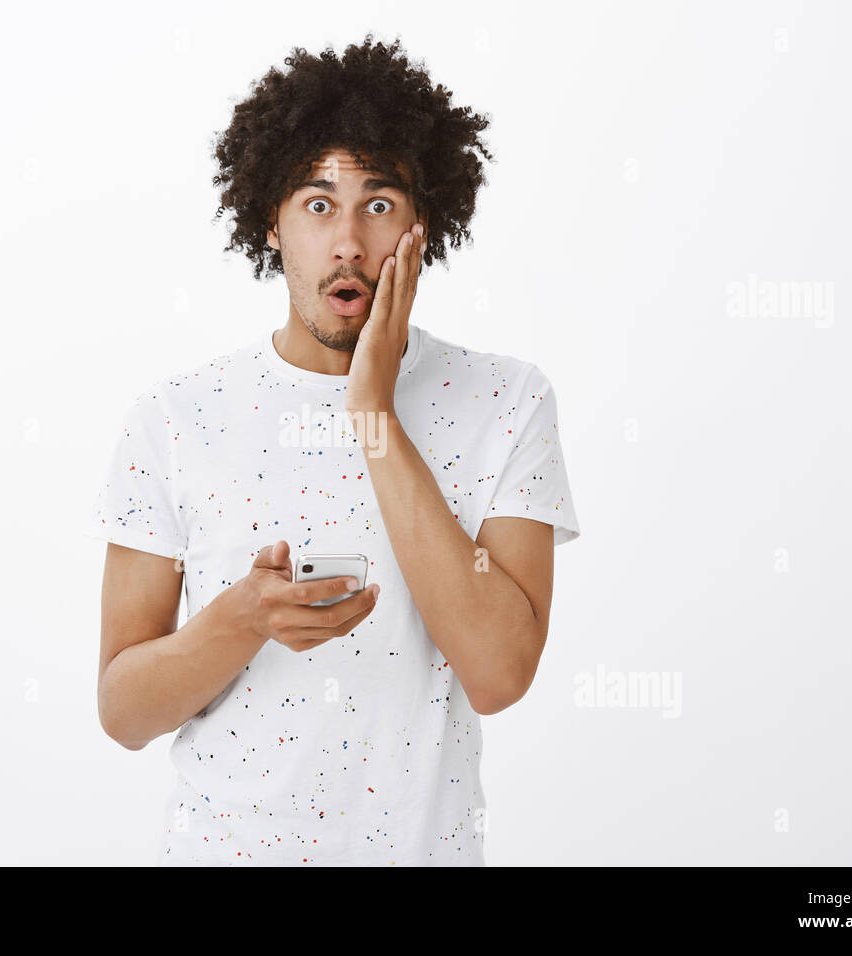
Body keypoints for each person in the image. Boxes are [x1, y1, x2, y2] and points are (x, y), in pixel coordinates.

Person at [86, 34, 581, 866]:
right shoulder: (175, 418)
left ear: (423, 224)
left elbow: (499, 672)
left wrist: (374, 413)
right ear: (271, 224)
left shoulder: (506, 401)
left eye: (378, 204)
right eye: (318, 204)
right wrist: (237, 623)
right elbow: (122, 711)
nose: (349, 243)